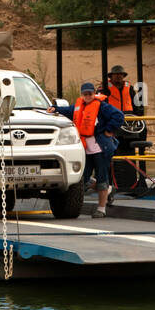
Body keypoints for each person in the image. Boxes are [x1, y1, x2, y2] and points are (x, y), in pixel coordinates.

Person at [49, 82, 124, 217]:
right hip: (86, 149)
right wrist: (54, 108)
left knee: (102, 178)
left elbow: (119, 116)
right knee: (82, 179)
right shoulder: (78, 107)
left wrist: (108, 130)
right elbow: (67, 111)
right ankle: (109, 189)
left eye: (90, 93)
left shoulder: (102, 106)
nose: (88, 96)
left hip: (101, 148)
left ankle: (101, 209)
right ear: (81, 95)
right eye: (85, 94)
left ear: (94, 94)